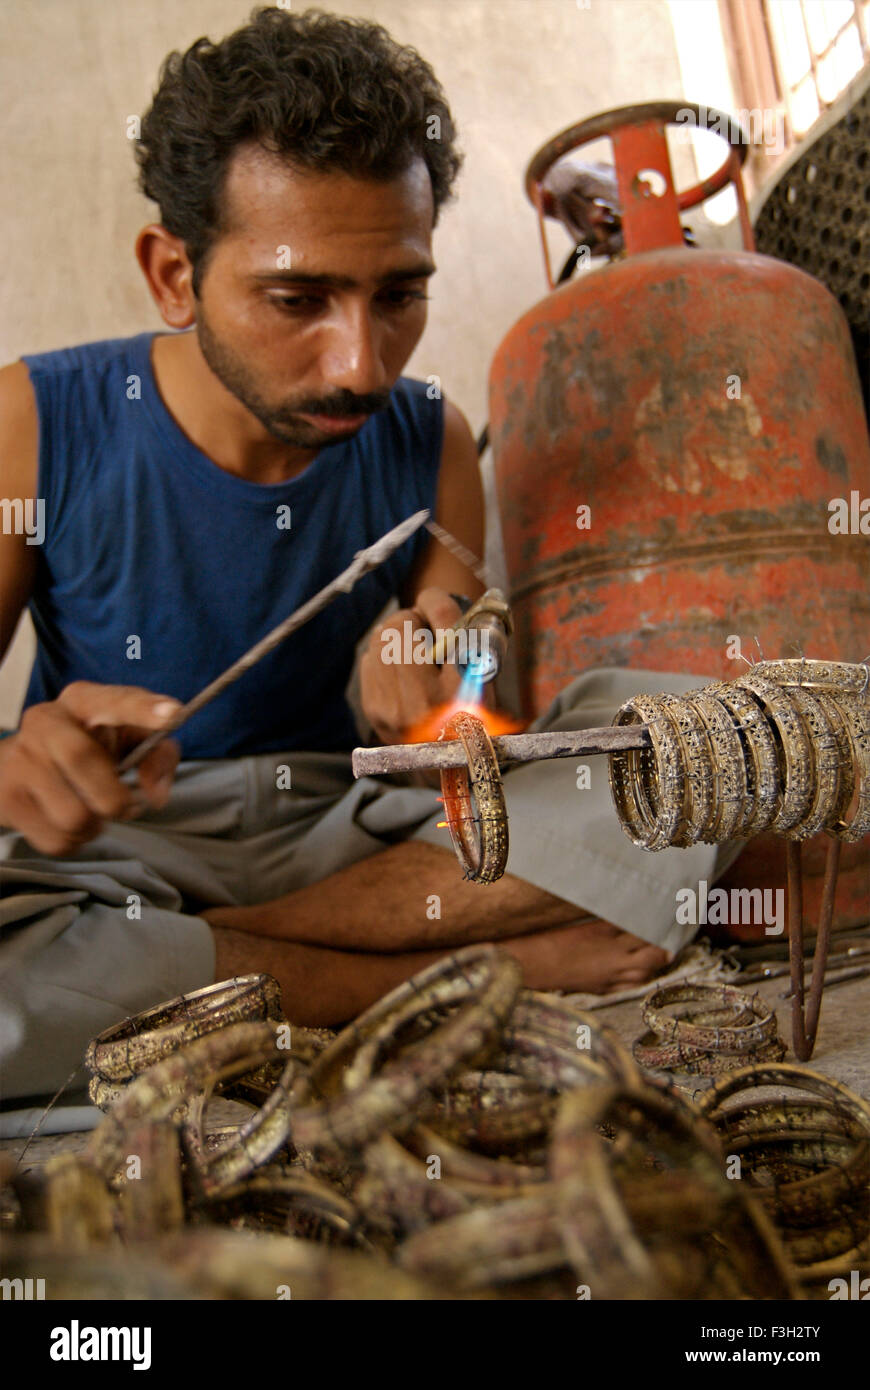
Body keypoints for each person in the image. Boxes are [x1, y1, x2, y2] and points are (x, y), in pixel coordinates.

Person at [0, 7, 729, 1101]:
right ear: (173, 274)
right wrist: (22, 761)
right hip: (125, 846)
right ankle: (454, 969)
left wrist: (446, 666)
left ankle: (205, 954)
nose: (359, 363)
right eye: (297, 299)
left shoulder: (426, 435)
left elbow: (469, 668)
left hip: (353, 830)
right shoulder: (34, 419)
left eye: (399, 295)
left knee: (700, 758)